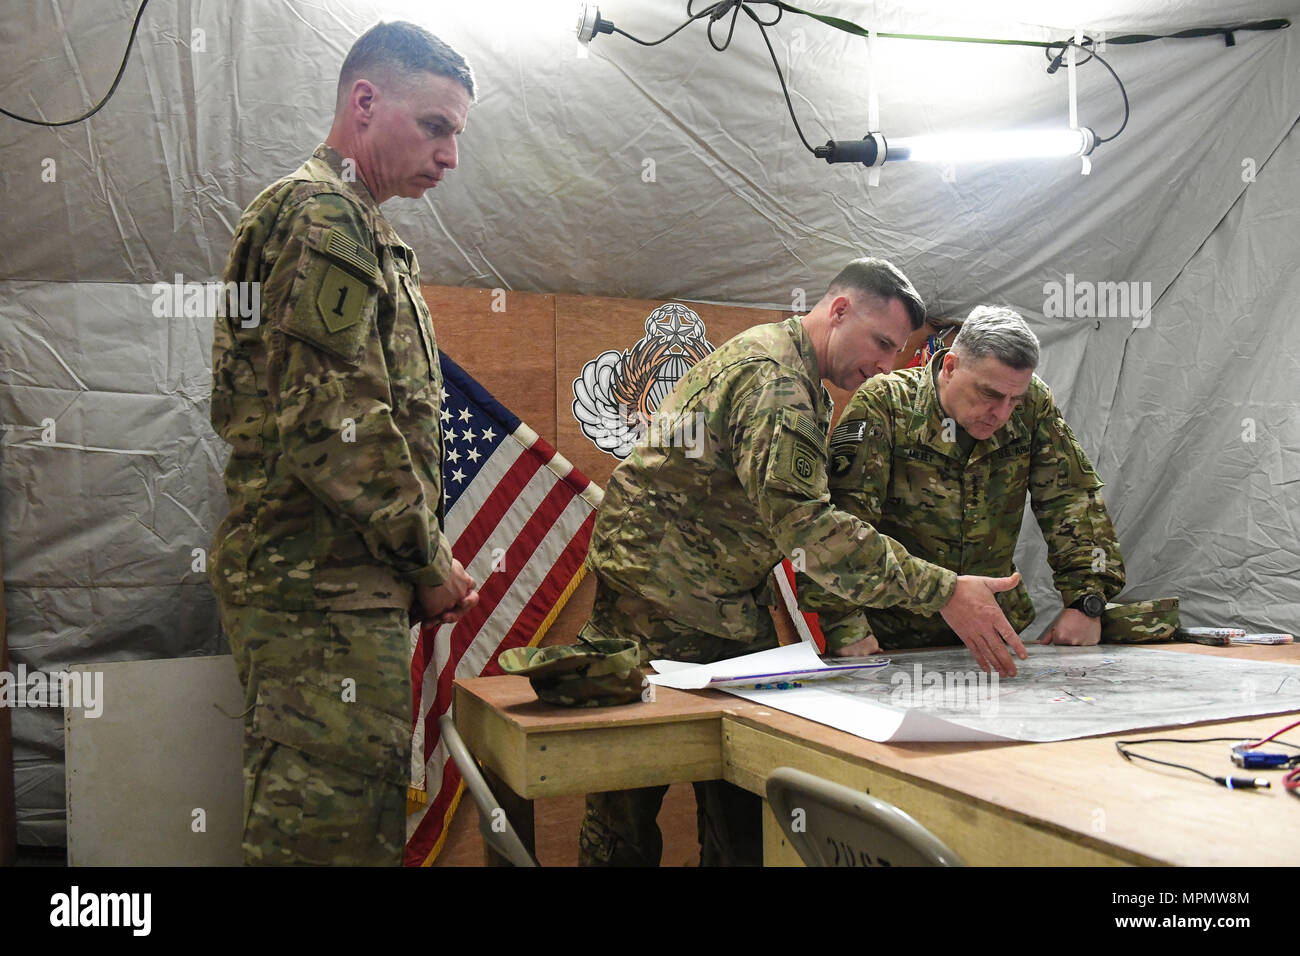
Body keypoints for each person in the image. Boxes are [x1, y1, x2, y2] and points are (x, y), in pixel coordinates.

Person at [577, 258, 1028, 867]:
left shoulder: (795, 371)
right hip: (655, 601)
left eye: (899, 350)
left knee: (743, 802)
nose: (887, 365)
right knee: (627, 807)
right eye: (882, 342)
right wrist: (944, 590)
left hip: (721, 602)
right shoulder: (777, 383)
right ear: (838, 310)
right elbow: (809, 532)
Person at [209, 21, 479, 866]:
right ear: (365, 102)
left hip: (334, 587)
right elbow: (336, 425)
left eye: (457, 136)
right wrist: (427, 560)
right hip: (315, 593)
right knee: (323, 840)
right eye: (435, 127)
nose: (450, 157)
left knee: (349, 824)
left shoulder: (361, 225)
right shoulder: (324, 215)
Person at [800, 305, 1126, 655]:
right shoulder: (886, 405)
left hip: (992, 630)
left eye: (1014, 399)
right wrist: (845, 627)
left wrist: (1085, 599)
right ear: (951, 368)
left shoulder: (1032, 404)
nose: (1001, 413)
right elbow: (841, 526)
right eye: (990, 394)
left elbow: (1070, 498)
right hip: (893, 634)